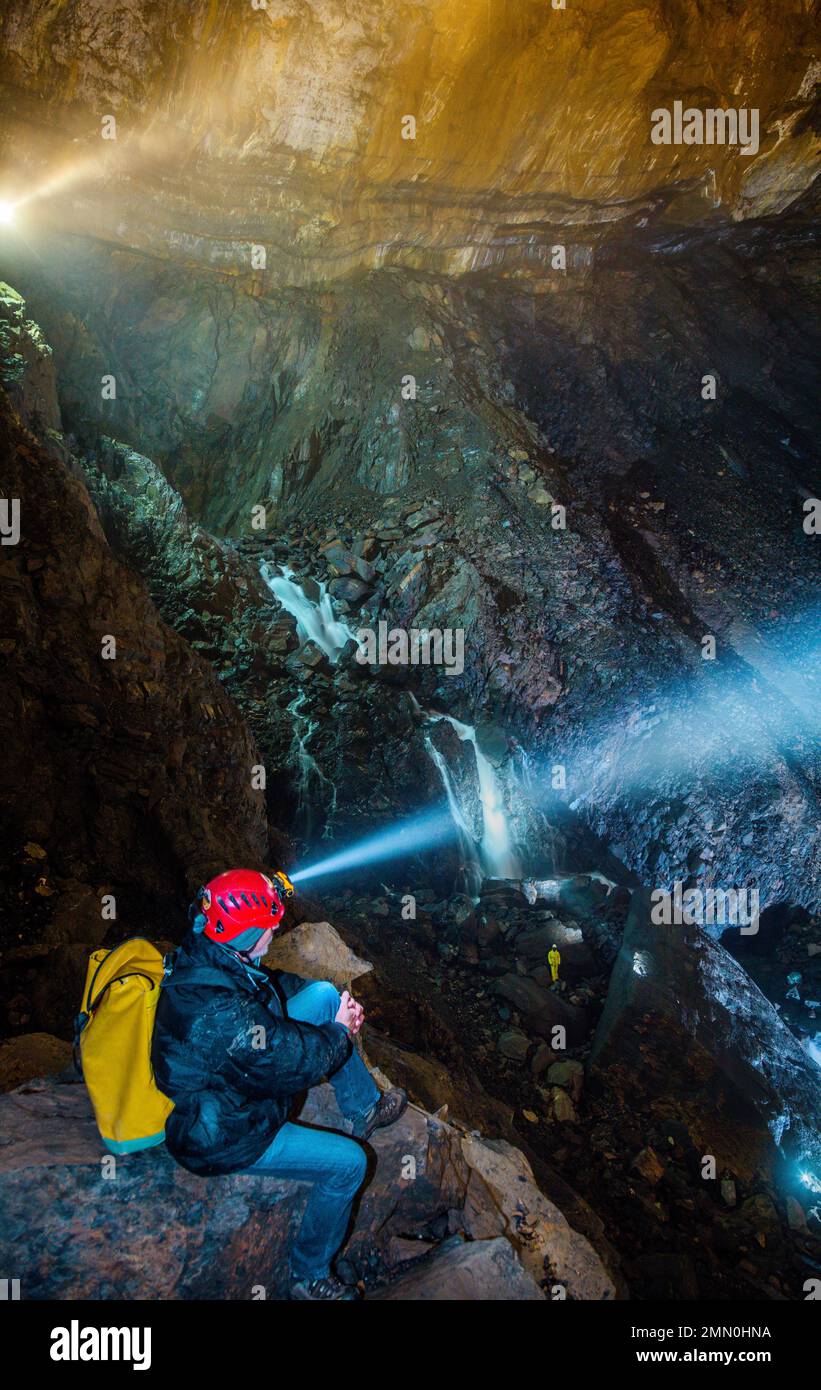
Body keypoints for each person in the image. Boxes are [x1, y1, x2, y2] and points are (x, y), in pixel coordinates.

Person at [151, 868, 406, 1301]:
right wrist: (340, 1034)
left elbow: (270, 990)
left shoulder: (214, 950)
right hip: (229, 1130)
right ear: (246, 935)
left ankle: (362, 1108)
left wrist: (335, 1015)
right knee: (350, 1165)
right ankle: (309, 1275)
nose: (276, 931)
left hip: (235, 1075)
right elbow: (290, 1063)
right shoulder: (220, 1014)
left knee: (324, 996)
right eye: (270, 927)